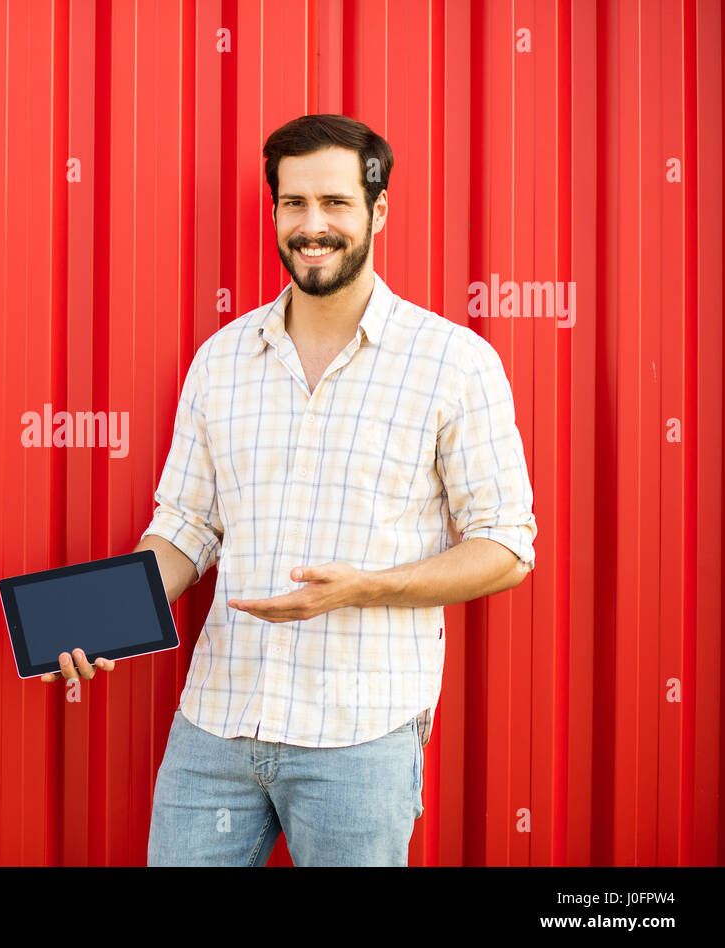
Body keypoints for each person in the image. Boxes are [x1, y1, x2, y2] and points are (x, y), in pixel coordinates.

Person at [41, 113, 537, 866]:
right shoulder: (223, 360)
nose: (313, 226)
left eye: (335, 204)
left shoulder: (454, 364)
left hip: (359, 736)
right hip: (217, 724)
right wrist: (103, 617)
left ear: (377, 211)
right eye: (294, 204)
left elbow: (507, 548)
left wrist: (361, 588)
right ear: (274, 211)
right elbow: (185, 528)